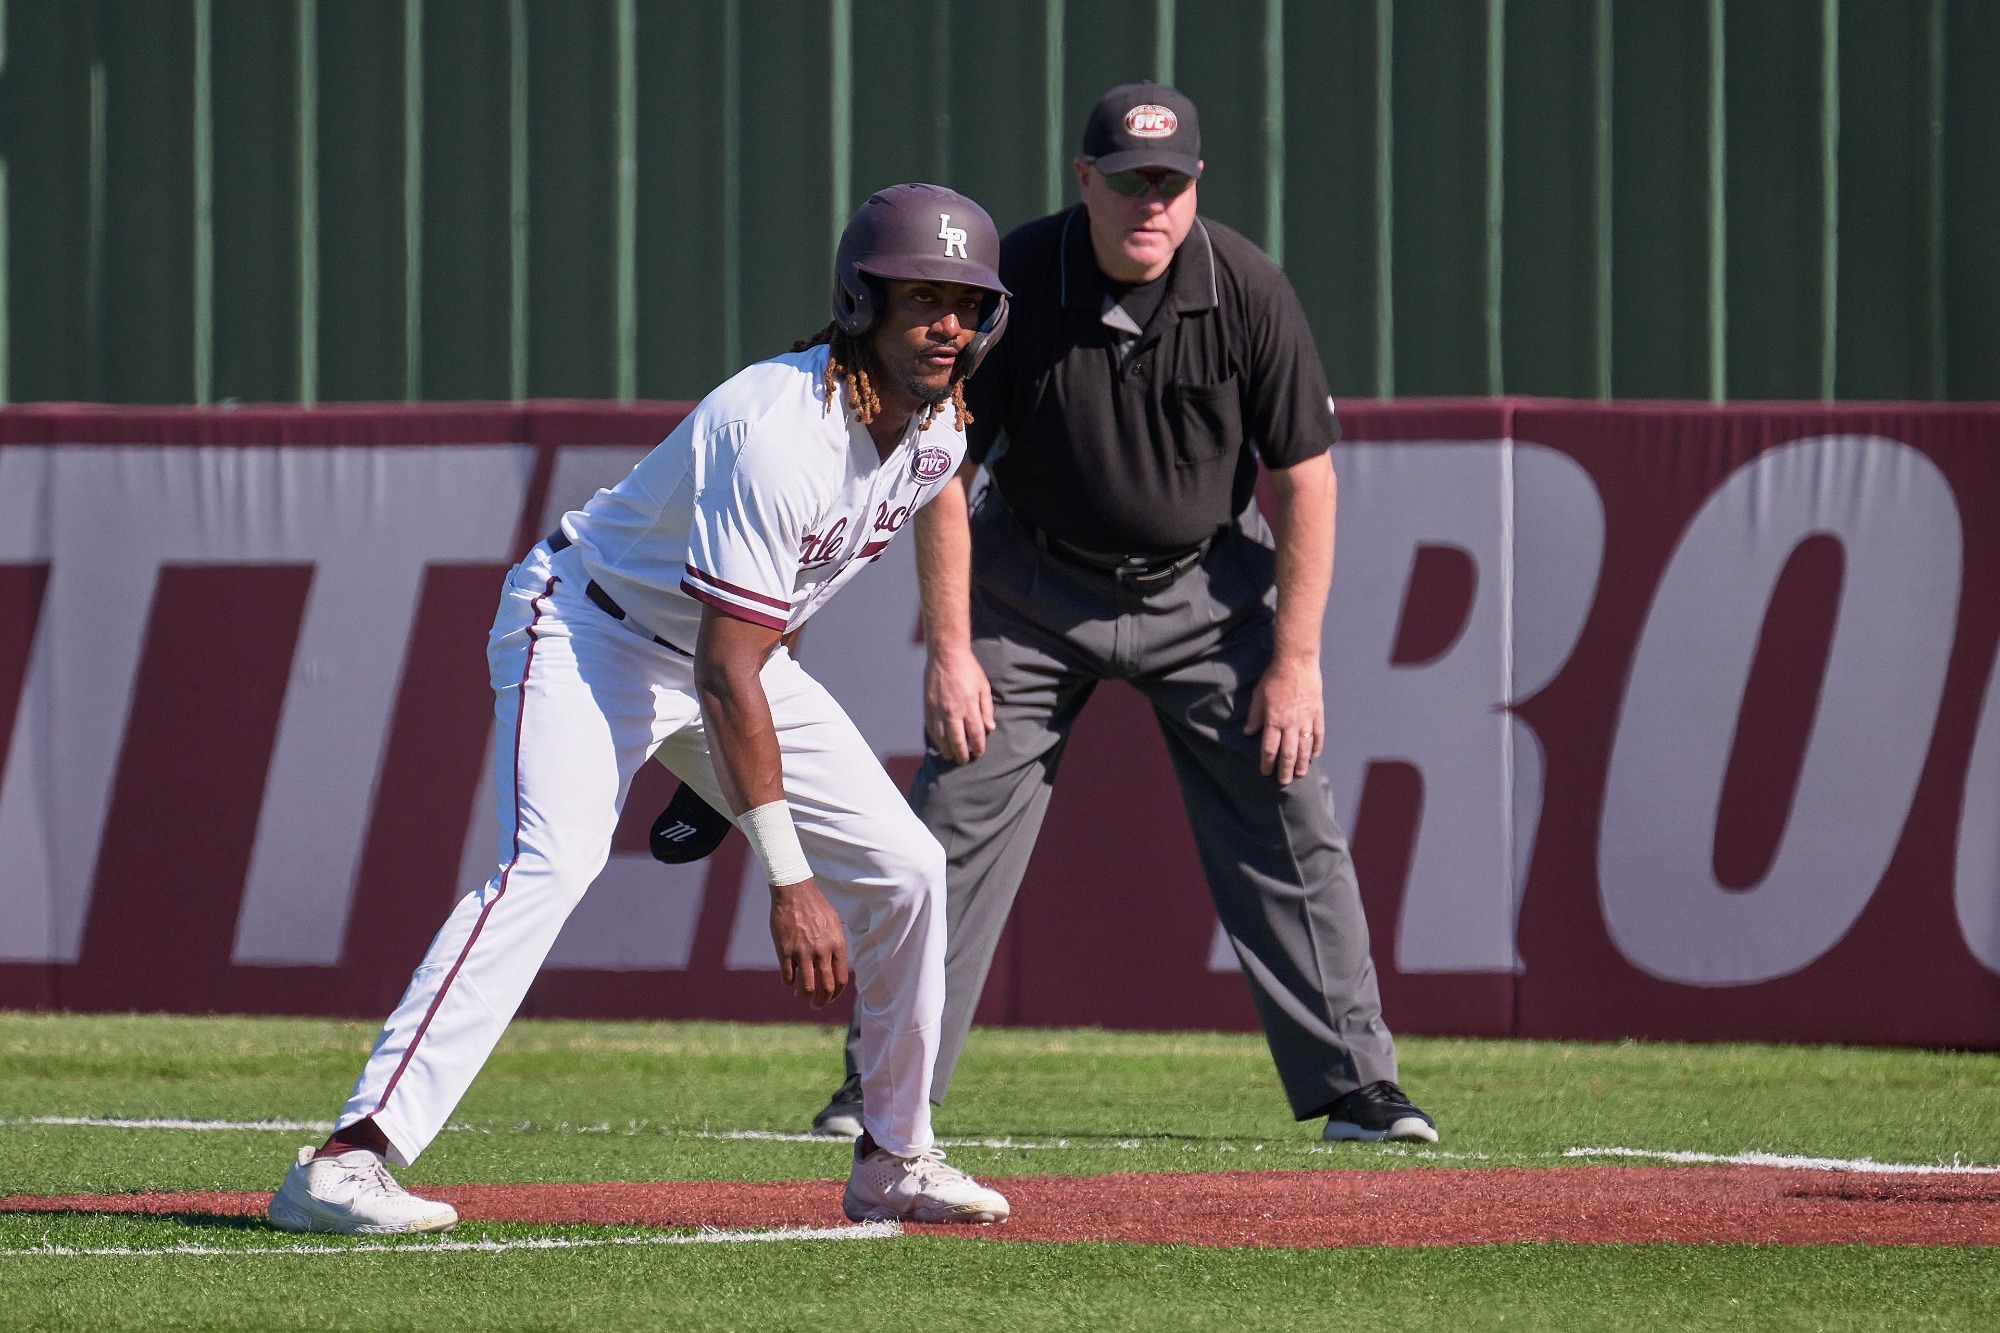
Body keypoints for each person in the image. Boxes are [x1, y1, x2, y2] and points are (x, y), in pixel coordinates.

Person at [268, 183, 1017, 1235]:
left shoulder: (933, 412)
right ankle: (348, 1159)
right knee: (550, 862)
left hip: (725, 654)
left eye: (966, 301)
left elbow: (932, 488)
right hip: (589, 630)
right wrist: (787, 876)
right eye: (920, 297)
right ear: (859, 301)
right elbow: (725, 671)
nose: (946, 324)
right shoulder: (776, 432)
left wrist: (948, 644)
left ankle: (894, 1153)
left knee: (909, 868)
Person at [805, 83, 1437, 1145]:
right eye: (1131, 180)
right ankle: (882, 1086)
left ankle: (1357, 1086)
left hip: (1207, 589)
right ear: (1084, 178)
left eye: (1172, 182)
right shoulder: (1016, 281)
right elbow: (943, 468)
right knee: (951, 820)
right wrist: (950, 650)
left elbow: (1307, 478)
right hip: (1033, 587)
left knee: (1288, 805)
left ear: (1194, 187)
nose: (1153, 202)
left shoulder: (1246, 287)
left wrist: (1296, 659)